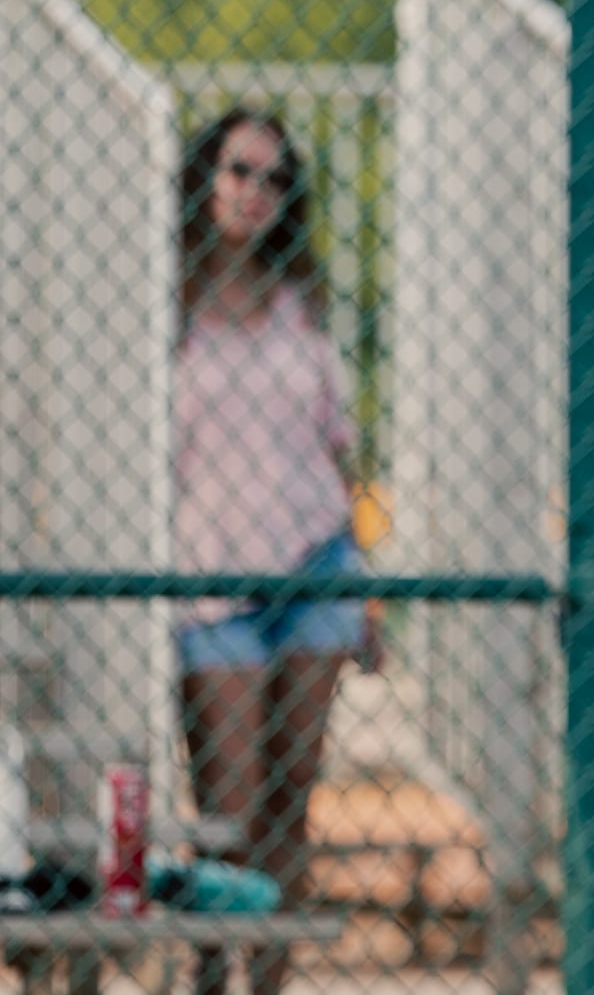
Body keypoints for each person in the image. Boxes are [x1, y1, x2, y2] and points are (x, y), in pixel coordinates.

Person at [170, 109, 366, 995]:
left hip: (317, 564)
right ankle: (211, 971)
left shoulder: (303, 301)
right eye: (240, 171)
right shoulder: (167, 310)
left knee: (294, 801)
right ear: (205, 178)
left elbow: (338, 446)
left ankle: (271, 981)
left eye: (275, 179)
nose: (256, 192)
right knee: (231, 806)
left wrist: (370, 589)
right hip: (213, 581)